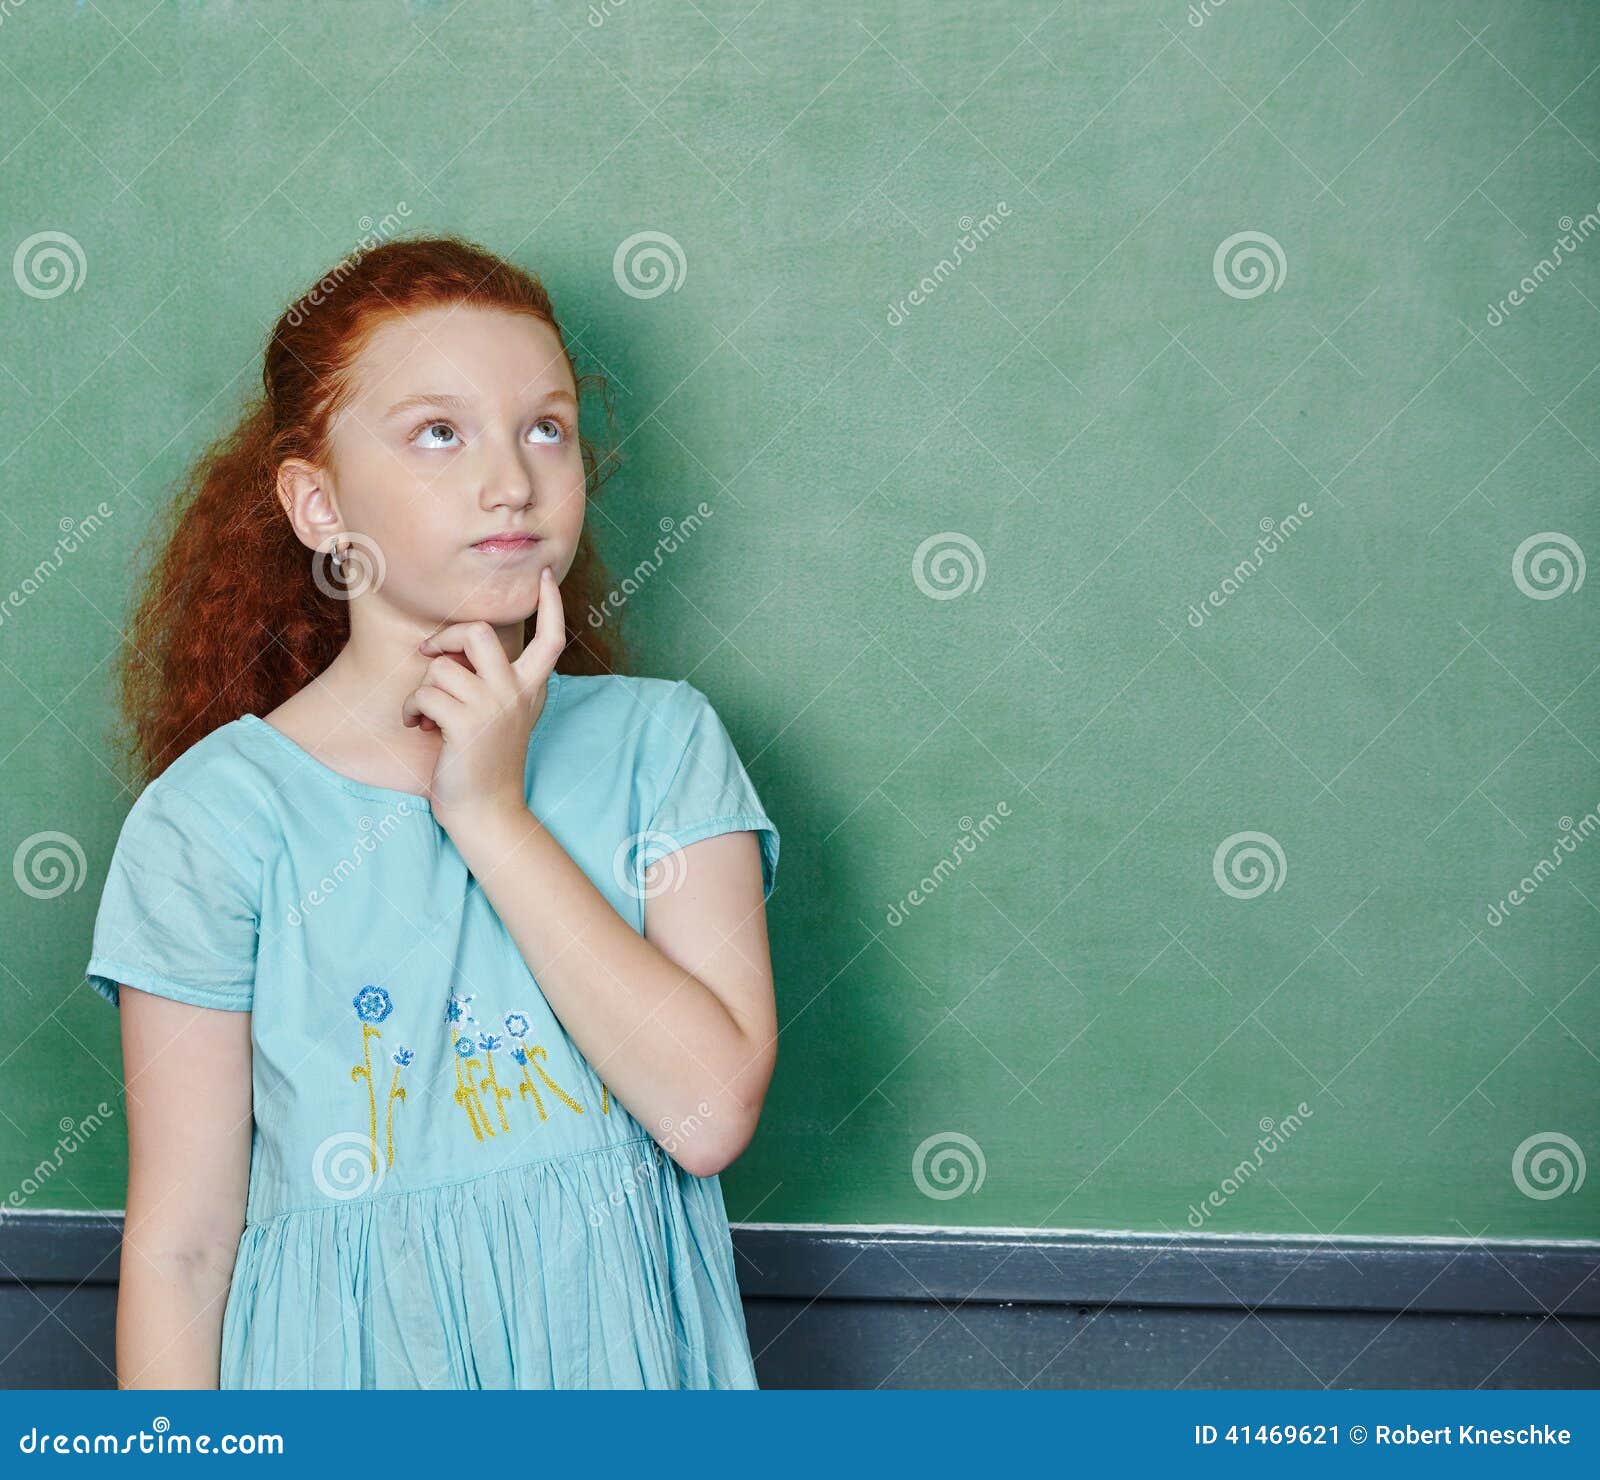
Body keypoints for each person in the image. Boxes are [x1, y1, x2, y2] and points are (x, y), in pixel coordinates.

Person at [83, 234, 780, 1390]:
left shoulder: (663, 745)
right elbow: (183, 1246)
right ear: (317, 503)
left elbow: (705, 1113)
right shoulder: (215, 818)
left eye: (544, 426)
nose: (510, 479)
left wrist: (493, 813)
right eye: (438, 433)